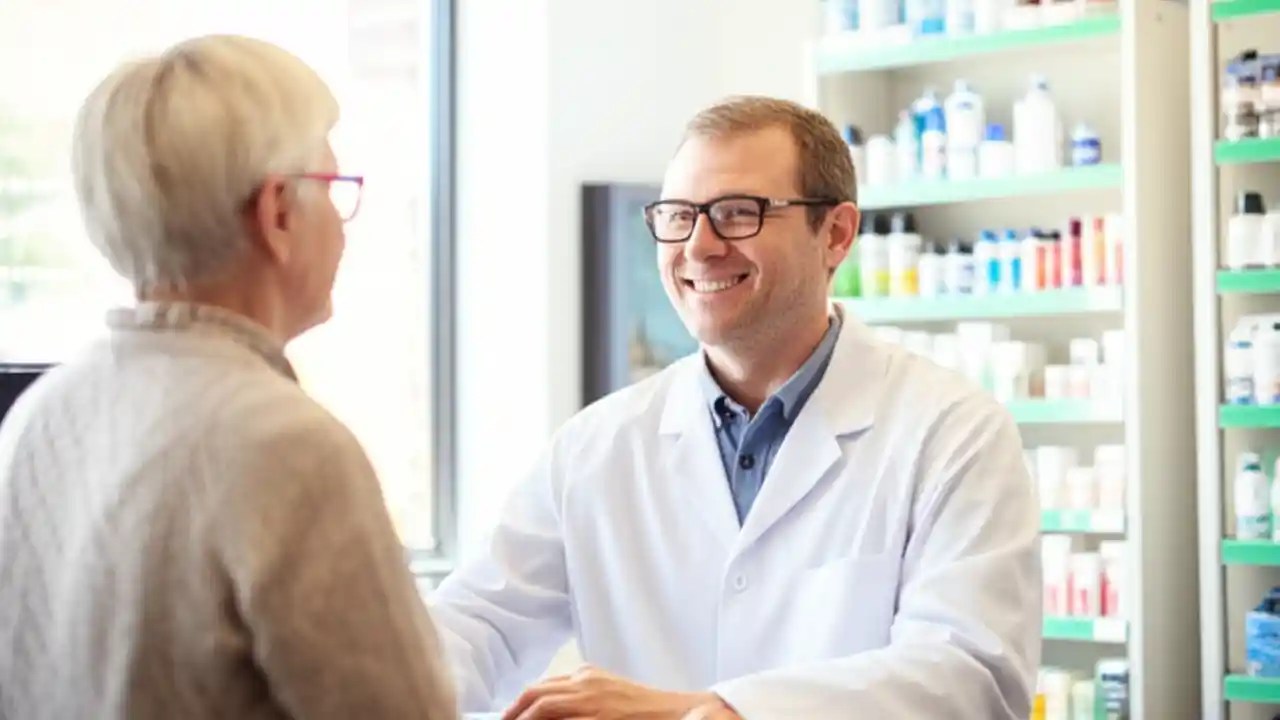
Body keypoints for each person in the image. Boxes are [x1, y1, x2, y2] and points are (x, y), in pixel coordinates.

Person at [431, 95, 1041, 720]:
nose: (698, 246)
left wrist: (712, 712)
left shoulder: (952, 433)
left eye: (736, 213)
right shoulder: (595, 446)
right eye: (677, 215)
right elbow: (477, 623)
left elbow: (971, 679)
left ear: (835, 234)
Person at [0, 36, 456, 720]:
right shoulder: (288, 446)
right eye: (333, 188)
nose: (341, 223)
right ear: (277, 214)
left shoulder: (40, 417)